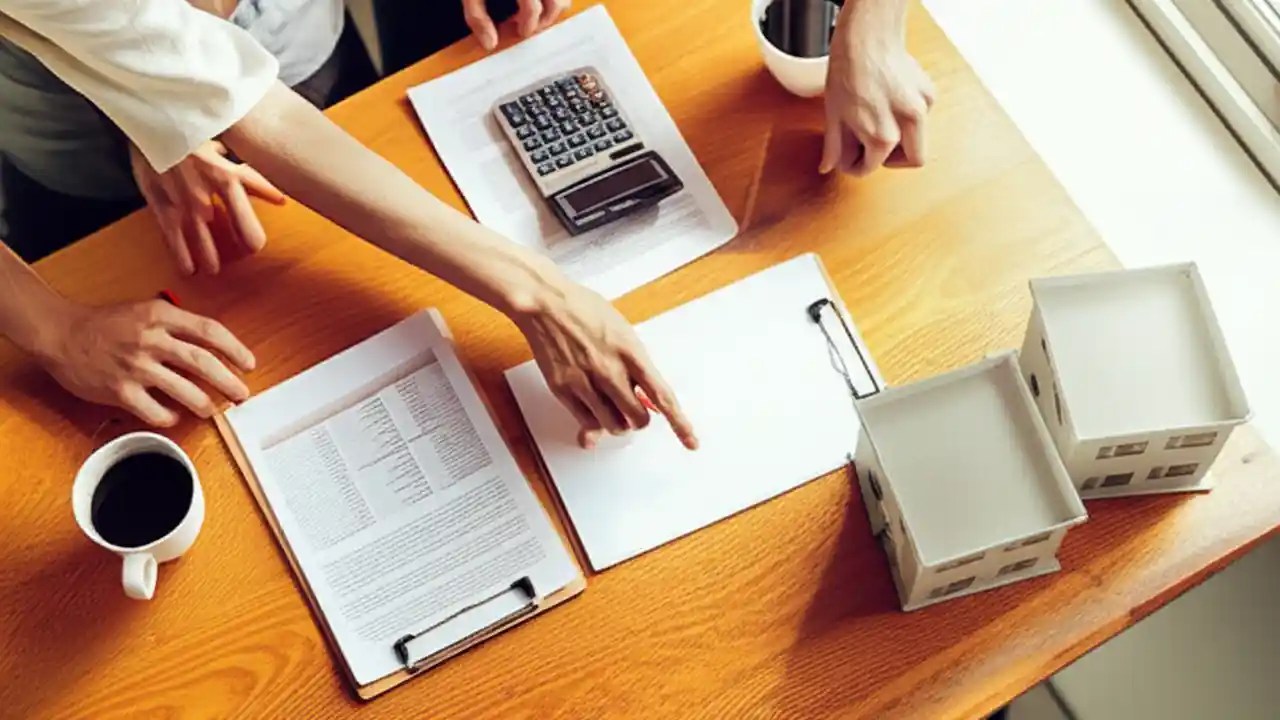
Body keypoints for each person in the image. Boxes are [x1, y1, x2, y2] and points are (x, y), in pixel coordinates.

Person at [0, 0, 694, 450]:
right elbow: (263, 116)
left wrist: (165, 92)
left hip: (296, 46)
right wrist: (53, 329)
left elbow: (248, 99)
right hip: (65, 148)